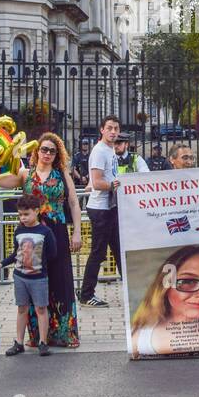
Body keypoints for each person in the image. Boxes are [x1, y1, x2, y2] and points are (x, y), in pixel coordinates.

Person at [0, 132, 84, 348]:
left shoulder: (62, 174)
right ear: (37, 151)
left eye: (52, 150)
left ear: (57, 154)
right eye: (44, 149)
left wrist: (77, 232)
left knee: (61, 280)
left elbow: (73, 203)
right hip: (31, 234)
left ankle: (63, 333)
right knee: (35, 279)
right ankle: (38, 336)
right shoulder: (25, 174)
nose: (48, 154)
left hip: (57, 232)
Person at [0, 193, 56, 357]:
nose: (23, 218)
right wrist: (1, 264)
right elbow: (15, 253)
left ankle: (43, 342)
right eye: (20, 215)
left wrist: (40, 267)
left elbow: (52, 254)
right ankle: (18, 342)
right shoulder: (18, 231)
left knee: (41, 309)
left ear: (36, 211)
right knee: (21, 308)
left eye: (26, 214)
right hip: (20, 277)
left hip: (39, 278)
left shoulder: (45, 231)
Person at [79, 116, 121, 307]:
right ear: (101, 130)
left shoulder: (109, 149)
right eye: (109, 128)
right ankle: (87, 294)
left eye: (116, 128)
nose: (113, 132)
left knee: (119, 249)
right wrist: (114, 184)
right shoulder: (99, 151)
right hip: (101, 208)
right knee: (98, 252)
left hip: (110, 207)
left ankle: (131, 288)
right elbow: (97, 183)